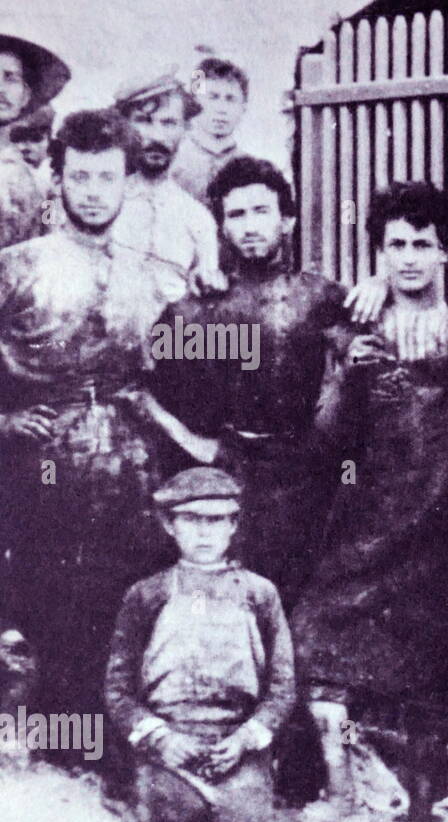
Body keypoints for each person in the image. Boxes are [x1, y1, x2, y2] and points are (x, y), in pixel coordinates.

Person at [290, 181, 448, 822]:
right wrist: (349, 376)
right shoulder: (355, 331)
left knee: (429, 685)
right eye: (396, 245)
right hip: (363, 522)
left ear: (446, 254)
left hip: (439, 531)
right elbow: (324, 441)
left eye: (423, 245)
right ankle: (344, 796)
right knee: (320, 657)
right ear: (378, 252)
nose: (409, 258)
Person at [0, 110, 170, 758]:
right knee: (40, 605)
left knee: (108, 608)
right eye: (81, 176)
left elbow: (176, 369)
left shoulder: (148, 278)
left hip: (122, 475)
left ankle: (91, 751)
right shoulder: (17, 267)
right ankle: (38, 748)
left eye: (107, 176)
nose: (94, 190)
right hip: (29, 471)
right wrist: (5, 420)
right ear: (58, 178)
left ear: (127, 182)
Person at [146, 157, 355, 611]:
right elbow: (153, 397)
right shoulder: (195, 310)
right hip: (233, 481)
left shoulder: (324, 298)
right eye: (236, 215)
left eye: (261, 211)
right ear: (221, 228)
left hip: (313, 483)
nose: (250, 226)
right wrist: (208, 449)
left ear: (287, 220)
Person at [103, 466, 303, 822]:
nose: (204, 532)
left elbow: (282, 687)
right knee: (172, 817)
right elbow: (117, 689)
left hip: (234, 741)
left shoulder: (260, 594)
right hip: (170, 738)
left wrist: (245, 740)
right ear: (169, 525)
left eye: (216, 521)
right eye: (191, 520)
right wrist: (162, 738)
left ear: (233, 525)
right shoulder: (146, 594)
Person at [112, 69, 225, 304]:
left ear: (185, 129)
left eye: (169, 123)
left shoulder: (198, 219)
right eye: (144, 121)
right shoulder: (100, 204)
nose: (157, 136)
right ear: (123, 126)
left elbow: (207, 302)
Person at [0, 34, 69, 247]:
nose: (0, 89)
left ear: (25, 96)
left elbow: (49, 237)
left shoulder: (43, 186)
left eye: (10, 78)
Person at [171, 56, 249, 203]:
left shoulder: (250, 168)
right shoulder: (173, 163)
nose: (221, 109)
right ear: (194, 102)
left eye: (230, 99)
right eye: (213, 97)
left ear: (243, 107)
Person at [8, 104, 55, 198]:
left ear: (48, 137)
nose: (21, 147)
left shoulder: (57, 174)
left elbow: (48, 211)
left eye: (34, 139)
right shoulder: (10, 168)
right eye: (17, 139)